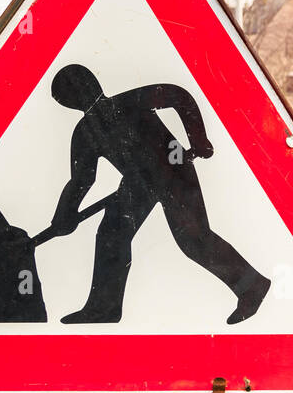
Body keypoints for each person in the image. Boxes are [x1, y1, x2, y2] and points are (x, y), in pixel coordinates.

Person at [47, 64, 270, 324]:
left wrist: (198, 138)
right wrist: (64, 216)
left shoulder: (127, 103)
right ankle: (103, 308)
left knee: (193, 239)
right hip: (138, 181)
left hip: (172, 166)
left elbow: (178, 95)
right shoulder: (85, 132)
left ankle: (252, 285)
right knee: (112, 233)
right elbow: (82, 180)